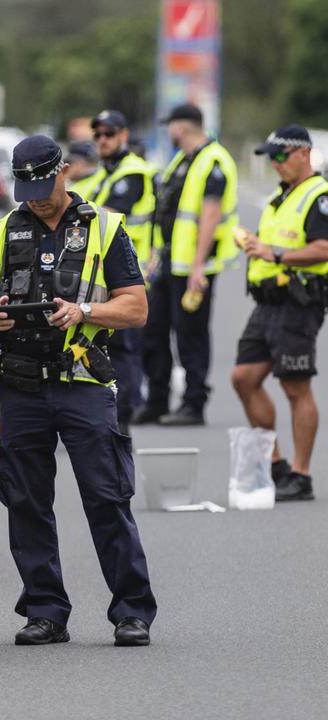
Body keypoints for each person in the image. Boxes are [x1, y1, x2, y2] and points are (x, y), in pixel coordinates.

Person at [0, 135, 157, 647]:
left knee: (106, 498)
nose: (36, 197)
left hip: (83, 384)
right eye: (25, 188)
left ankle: (131, 611)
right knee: (26, 503)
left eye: (43, 184)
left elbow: (136, 307)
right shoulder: (2, 233)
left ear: (65, 171)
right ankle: (45, 611)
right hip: (22, 387)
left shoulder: (106, 228)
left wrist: (84, 311)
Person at [233, 125, 328, 501]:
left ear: (303, 153)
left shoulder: (319, 197)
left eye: (279, 156)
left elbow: (323, 248)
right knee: (243, 377)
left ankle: (301, 475)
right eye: (269, 157)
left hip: (299, 301)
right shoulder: (279, 196)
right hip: (267, 302)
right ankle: (275, 464)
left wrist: (273, 253)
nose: (274, 164)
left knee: (294, 385)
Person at [135, 103, 238, 426]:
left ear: (181, 126)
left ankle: (194, 404)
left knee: (190, 336)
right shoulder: (183, 159)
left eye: (171, 126)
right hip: (167, 263)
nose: (169, 132)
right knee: (153, 331)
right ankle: (157, 400)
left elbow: (208, 216)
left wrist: (197, 267)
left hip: (194, 267)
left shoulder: (214, 161)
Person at [89, 109, 158, 433]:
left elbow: (108, 214)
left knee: (125, 348)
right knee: (111, 345)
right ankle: (113, 413)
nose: (102, 140)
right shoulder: (107, 173)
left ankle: (124, 415)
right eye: (98, 135)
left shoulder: (132, 173)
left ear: (123, 135)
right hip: (108, 275)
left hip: (131, 276)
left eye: (109, 134)